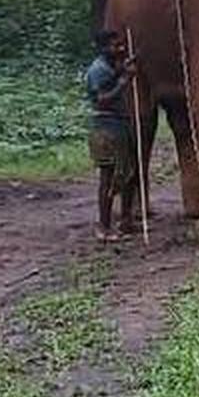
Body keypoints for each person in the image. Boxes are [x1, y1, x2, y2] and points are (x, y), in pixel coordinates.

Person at [84, 30, 137, 241]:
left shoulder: (110, 67)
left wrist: (122, 71)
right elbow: (101, 99)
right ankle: (104, 226)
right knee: (108, 176)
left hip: (120, 125)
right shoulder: (97, 70)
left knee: (128, 173)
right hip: (105, 128)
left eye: (121, 45)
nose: (121, 49)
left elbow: (111, 80)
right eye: (115, 46)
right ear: (103, 48)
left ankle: (126, 220)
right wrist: (124, 81)